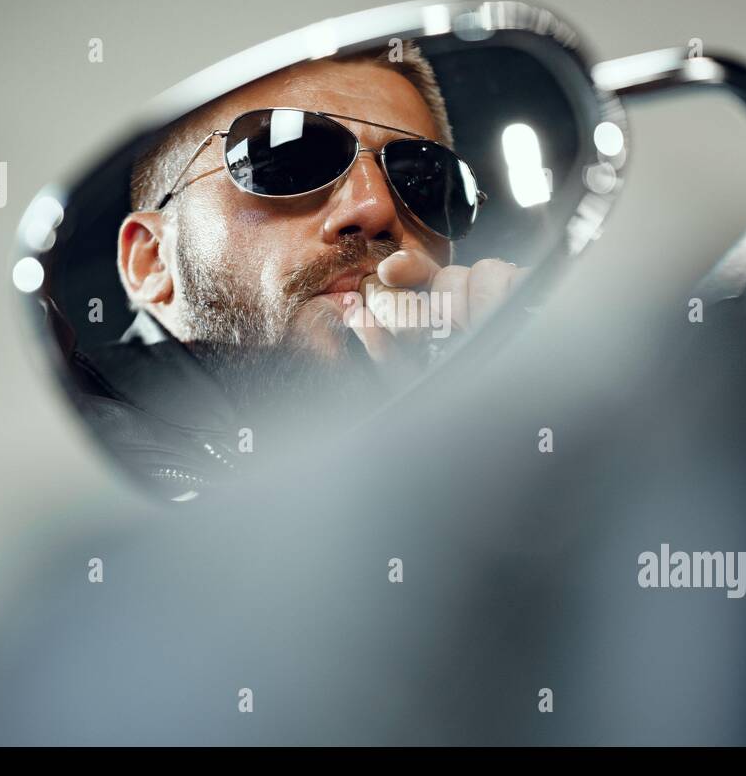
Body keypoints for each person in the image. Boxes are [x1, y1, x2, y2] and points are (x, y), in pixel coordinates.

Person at [71, 42, 523, 496]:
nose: (375, 208)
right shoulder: (80, 449)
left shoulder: (495, 425)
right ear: (151, 260)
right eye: (289, 160)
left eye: (424, 181)